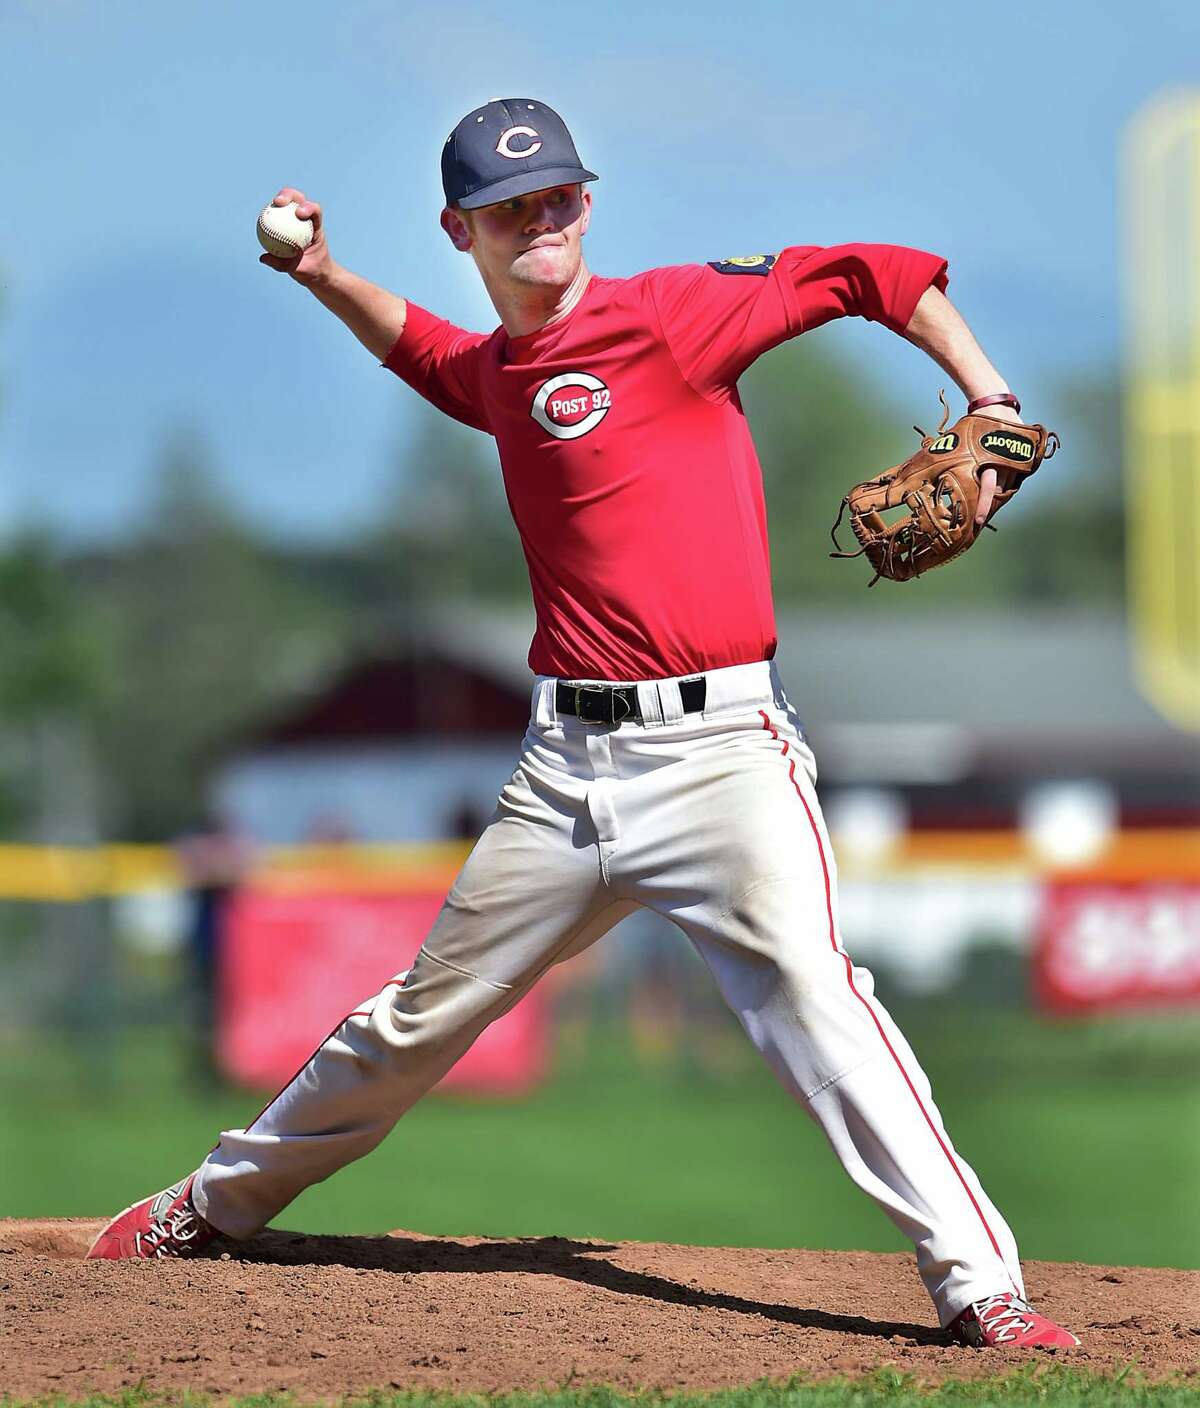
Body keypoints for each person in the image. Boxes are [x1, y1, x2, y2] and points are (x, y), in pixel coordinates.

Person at [89, 98, 1077, 1351]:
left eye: (556, 194)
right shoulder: (504, 374)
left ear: (587, 203)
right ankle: (214, 1205)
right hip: (563, 776)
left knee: (824, 1008)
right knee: (416, 1018)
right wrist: (327, 274)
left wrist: (990, 400)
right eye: (509, 206)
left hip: (724, 758)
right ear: (462, 228)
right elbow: (432, 356)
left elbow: (879, 275)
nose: (538, 217)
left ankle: (984, 1290)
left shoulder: (671, 314)